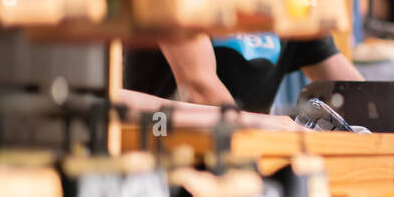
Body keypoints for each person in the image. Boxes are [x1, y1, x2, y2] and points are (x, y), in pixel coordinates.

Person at [121, 32, 363, 129]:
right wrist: (275, 129)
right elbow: (200, 88)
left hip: (243, 159)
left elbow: (358, 96)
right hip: (162, 153)